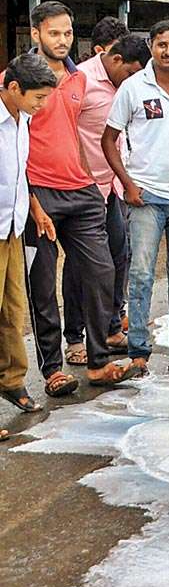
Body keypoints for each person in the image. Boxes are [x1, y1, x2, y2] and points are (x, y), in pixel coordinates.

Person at [21, 1, 138, 397]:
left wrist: (91, 179)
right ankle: (53, 369)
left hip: (82, 191)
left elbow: (82, 133)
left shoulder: (77, 79)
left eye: (68, 33)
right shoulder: (16, 79)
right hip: (39, 194)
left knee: (102, 273)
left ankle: (98, 362)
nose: (62, 40)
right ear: (36, 34)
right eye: (54, 33)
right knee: (42, 285)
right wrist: (31, 199)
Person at [101, 21, 169, 376]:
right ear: (151, 46)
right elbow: (108, 140)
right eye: (161, 44)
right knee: (142, 274)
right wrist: (128, 185)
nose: (168, 51)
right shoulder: (133, 88)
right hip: (145, 197)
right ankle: (138, 353)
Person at [64, 34, 148, 369]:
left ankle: (113, 327)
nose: (132, 80)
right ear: (114, 60)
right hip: (84, 188)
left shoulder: (127, 87)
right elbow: (65, 129)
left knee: (118, 256)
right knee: (78, 267)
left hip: (112, 186)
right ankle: (74, 338)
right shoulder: (81, 80)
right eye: (129, 73)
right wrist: (80, 171)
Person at [0, 55, 58, 412]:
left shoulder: (22, 120)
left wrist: (35, 208)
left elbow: (20, 174)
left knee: (13, 309)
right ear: (14, 88)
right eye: (38, 98)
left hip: (13, 226)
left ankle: (11, 381)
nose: (42, 105)